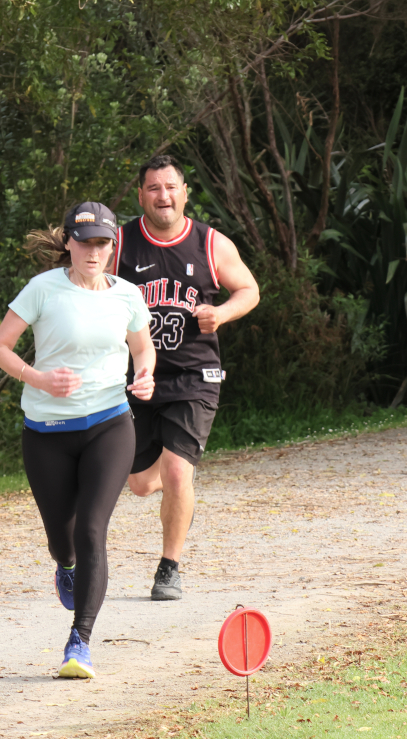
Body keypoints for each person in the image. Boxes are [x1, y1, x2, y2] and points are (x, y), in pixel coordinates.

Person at [0, 201, 155, 678]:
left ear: (112, 246)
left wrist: (144, 377)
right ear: (68, 243)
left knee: (92, 531)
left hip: (110, 423)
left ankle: (78, 642)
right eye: (85, 242)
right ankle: (64, 565)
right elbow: (0, 348)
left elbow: (142, 350)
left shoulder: (126, 295)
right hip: (47, 434)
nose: (93, 251)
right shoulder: (42, 290)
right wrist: (38, 379)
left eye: (103, 243)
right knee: (63, 540)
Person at [114, 156, 260, 600]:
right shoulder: (120, 244)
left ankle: (169, 568)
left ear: (185, 192)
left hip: (196, 375)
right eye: (154, 188)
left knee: (177, 474)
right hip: (139, 375)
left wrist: (222, 312)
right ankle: (179, 461)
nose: (164, 196)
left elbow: (249, 290)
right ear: (141, 195)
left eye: (171, 187)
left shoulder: (211, 243)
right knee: (140, 484)